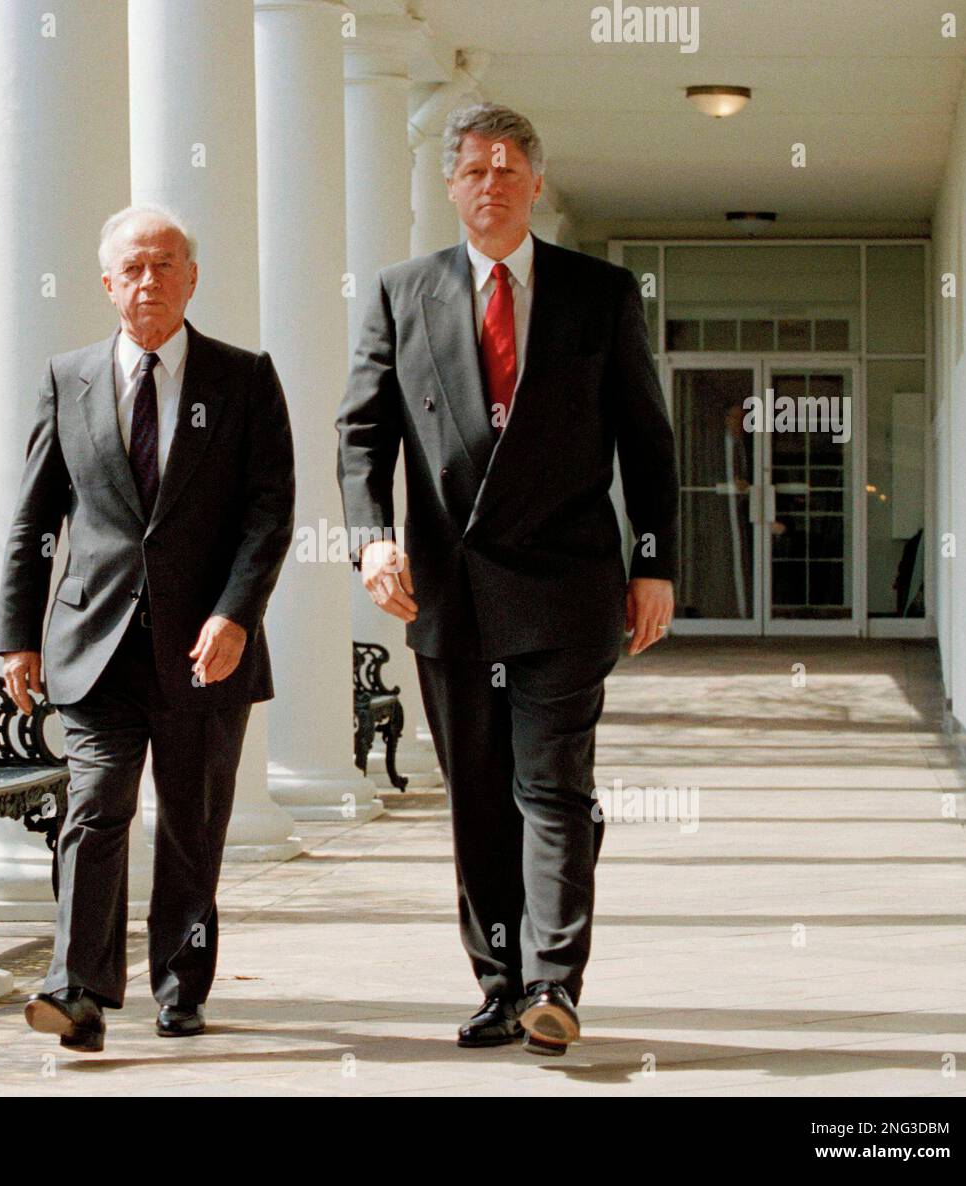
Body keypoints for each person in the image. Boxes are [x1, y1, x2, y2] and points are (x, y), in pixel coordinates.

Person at [336, 103, 679, 1055]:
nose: (491, 183)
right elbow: (361, 433)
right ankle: (500, 982)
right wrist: (369, 540)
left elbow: (647, 441)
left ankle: (554, 984)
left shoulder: (598, 295)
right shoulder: (401, 294)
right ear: (451, 187)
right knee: (479, 796)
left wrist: (655, 562)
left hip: (568, 589)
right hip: (448, 588)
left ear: (534, 184)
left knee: (554, 788)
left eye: (508, 169)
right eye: (475, 170)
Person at [0, 205, 295, 1053]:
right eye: (133, 267)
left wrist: (236, 614)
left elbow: (269, 515)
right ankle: (76, 988)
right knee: (94, 810)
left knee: (193, 826)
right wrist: (17, 634)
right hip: (96, 646)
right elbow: (32, 520)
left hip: (207, 649)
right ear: (107, 284)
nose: (149, 280)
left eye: (166, 265)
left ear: (192, 278)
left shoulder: (243, 379)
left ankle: (179, 986)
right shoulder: (69, 378)